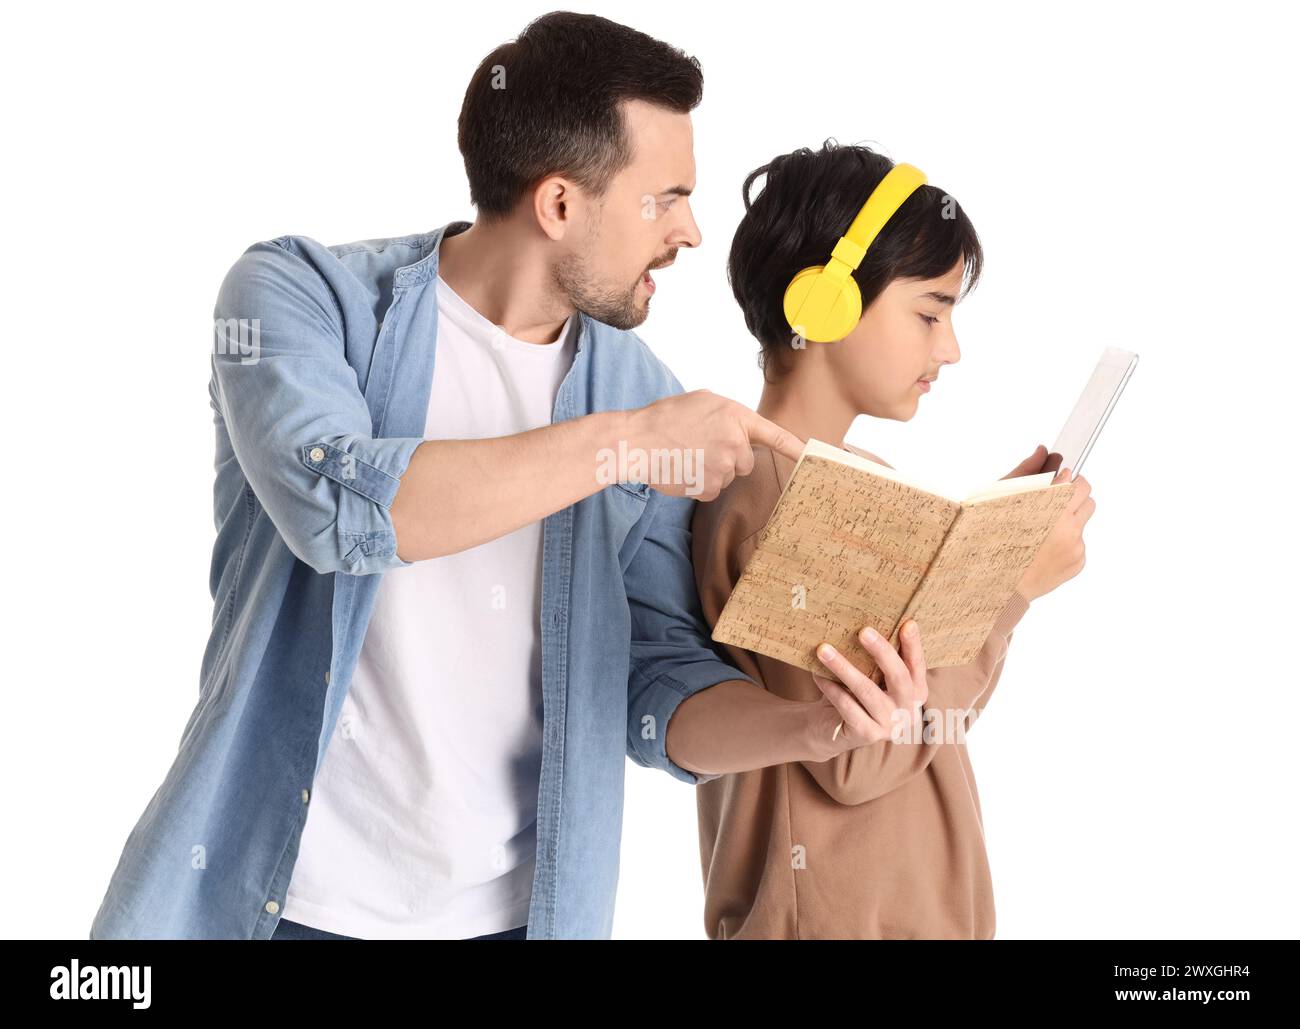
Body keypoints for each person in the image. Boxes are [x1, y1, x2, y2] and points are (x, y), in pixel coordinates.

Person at [89, 11, 800, 941]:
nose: (693, 231)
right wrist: (626, 444)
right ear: (558, 205)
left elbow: (654, 686)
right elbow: (342, 509)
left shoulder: (641, 394)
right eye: (665, 198)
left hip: (518, 920)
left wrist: (815, 729)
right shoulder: (299, 299)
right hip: (283, 907)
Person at [666, 141, 1095, 938]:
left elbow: (910, 695)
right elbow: (859, 753)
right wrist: (1008, 593)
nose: (949, 348)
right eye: (930, 312)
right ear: (825, 304)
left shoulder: (847, 481)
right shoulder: (775, 500)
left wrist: (992, 545)